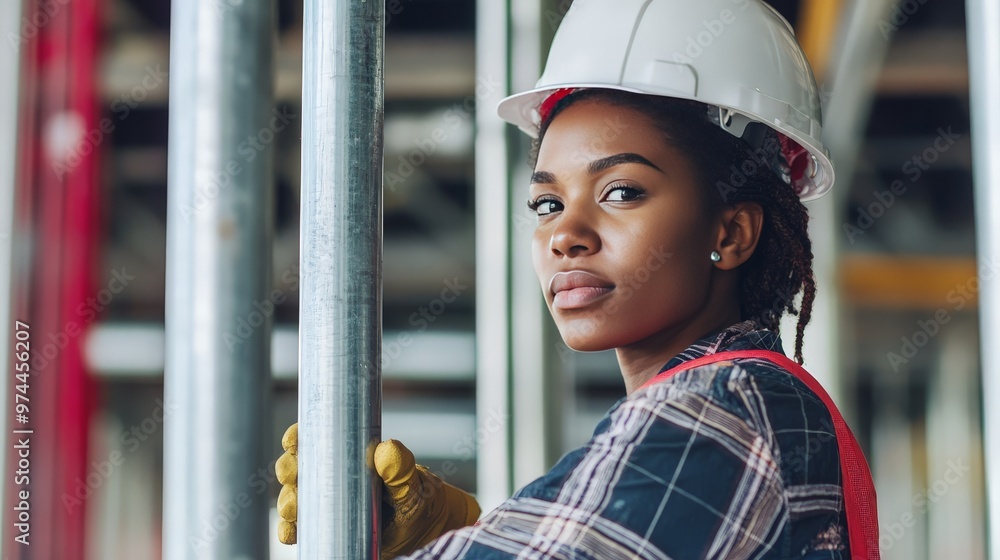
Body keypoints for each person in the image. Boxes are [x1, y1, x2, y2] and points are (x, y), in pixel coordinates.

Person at [275, 0, 880, 558]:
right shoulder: (730, 409)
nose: (566, 234)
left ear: (730, 234)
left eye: (621, 192)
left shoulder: (728, 405)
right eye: (547, 204)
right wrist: (456, 535)